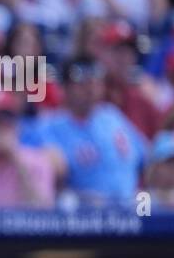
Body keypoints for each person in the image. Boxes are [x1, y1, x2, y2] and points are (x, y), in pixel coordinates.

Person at [38, 57, 145, 206]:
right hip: (85, 218)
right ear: (65, 88)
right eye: (83, 83)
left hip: (131, 213)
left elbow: (146, 157)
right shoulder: (51, 126)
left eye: (95, 81)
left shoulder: (113, 116)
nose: (91, 88)